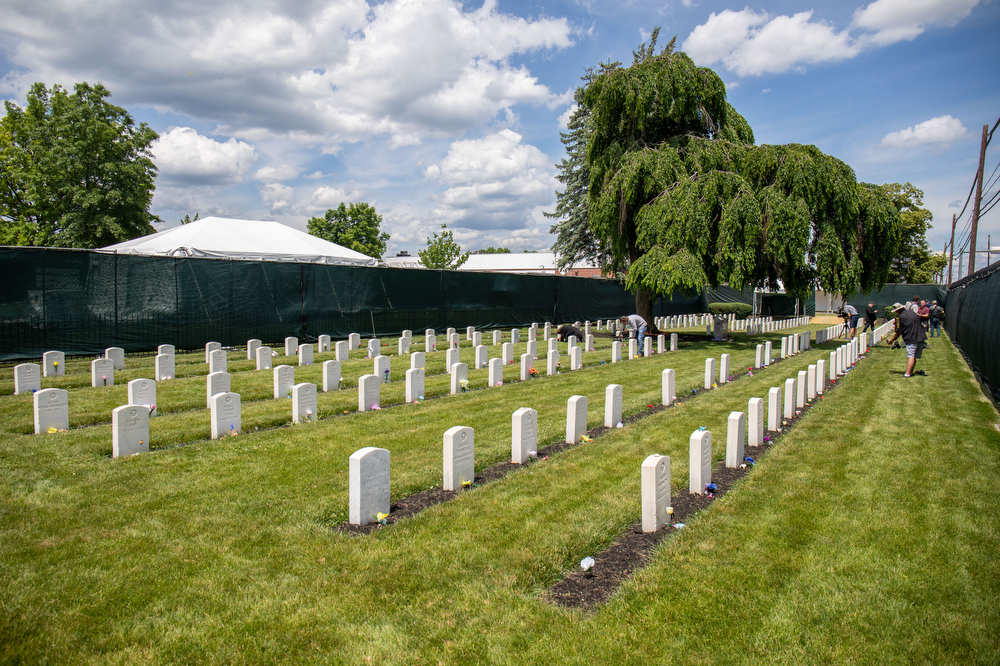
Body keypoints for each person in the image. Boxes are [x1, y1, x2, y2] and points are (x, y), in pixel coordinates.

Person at [885, 302, 928, 377]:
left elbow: (898, 332)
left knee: (911, 355)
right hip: (920, 336)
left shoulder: (898, 318)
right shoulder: (912, 313)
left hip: (911, 337)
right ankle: (910, 372)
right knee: (913, 356)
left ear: (897, 311)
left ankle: (907, 374)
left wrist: (891, 340)